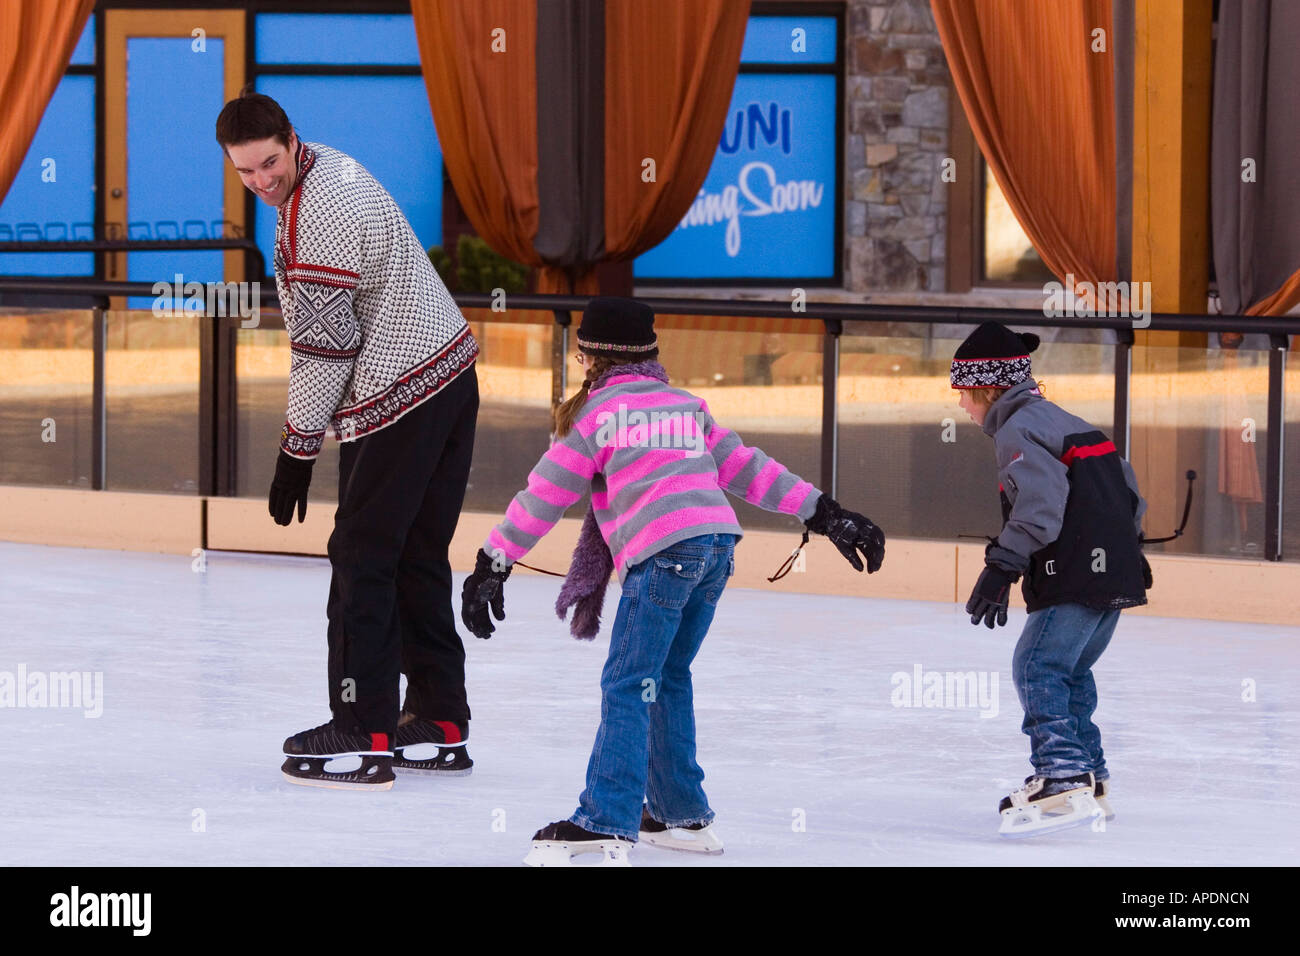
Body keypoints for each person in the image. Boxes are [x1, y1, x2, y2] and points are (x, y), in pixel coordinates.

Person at [461, 297, 886, 865]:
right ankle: (678, 815)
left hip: (664, 555)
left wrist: (494, 560)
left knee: (628, 681)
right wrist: (826, 512)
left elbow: (545, 495)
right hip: (716, 549)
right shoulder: (685, 406)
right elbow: (748, 468)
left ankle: (606, 820)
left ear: (588, 358)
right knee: (665, 677)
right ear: (650, 355)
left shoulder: (596, 416)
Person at [215, 89, 480, 790]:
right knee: (414, 551)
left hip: (403, 394)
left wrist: (294, 453)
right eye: (245, 173)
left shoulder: (317, 216)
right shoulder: (331, 166)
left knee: (362, 554)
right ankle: (441, 718)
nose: (261, 181)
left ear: (290, 139)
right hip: (450, 377)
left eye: (268, 164)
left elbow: (325, 350)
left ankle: (363, 729)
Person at [953, 322, 1150, 836]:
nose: (961, 408)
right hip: (1114, 571)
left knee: (1037, 666)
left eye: (963, 395)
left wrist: (1002, 566)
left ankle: (1061, 776)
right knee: (1070, 672)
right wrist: (1129, 551)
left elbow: (1040, 506)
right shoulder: (1067, 420)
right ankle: (1092, 778)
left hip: (1075, 573)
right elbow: (1129, 491)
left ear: (987, 389)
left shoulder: (1019, 429)